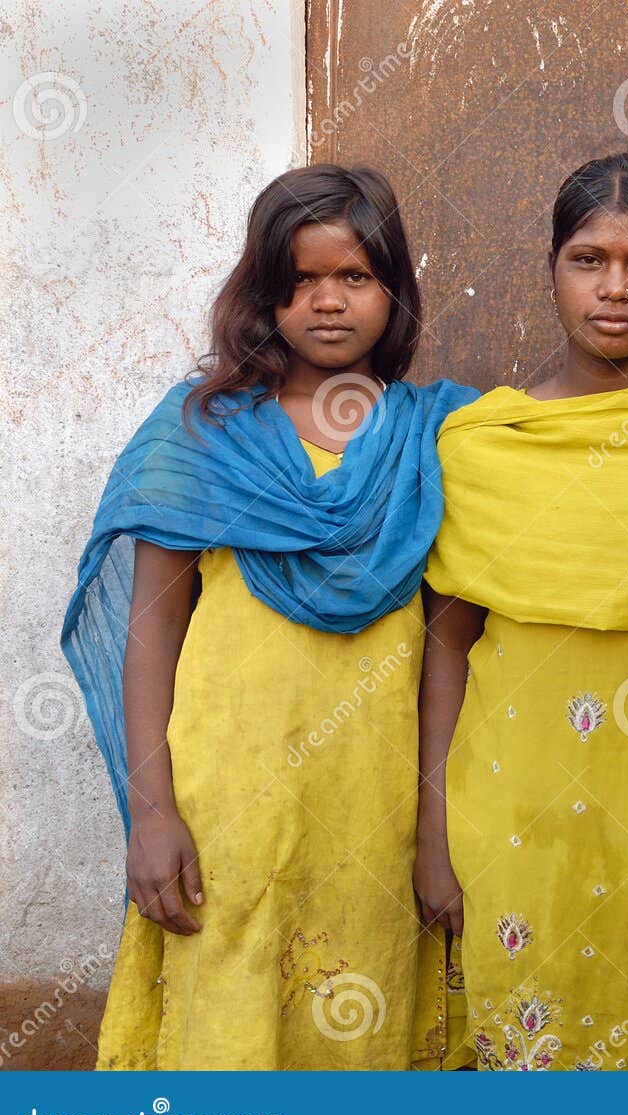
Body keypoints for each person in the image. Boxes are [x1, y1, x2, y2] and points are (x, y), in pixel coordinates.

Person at [64, 164, 478, 1069]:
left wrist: (437, 836)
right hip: (228, 814)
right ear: (263, 293)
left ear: (394, 291)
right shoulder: (204, 431)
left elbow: (452, 655)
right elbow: (151, 640)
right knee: (226, 1036)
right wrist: (152, 811)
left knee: (357, 1033)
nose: (327, 302)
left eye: (355, 277)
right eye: (299, 279)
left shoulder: (437, 440)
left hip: (374, 810)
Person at [417, 153, 628, 1071]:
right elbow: (447, 645)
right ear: (552, 270)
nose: (615, 288)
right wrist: (432, 834)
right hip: (505, 814)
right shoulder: (483, 446)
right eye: (588, 259)